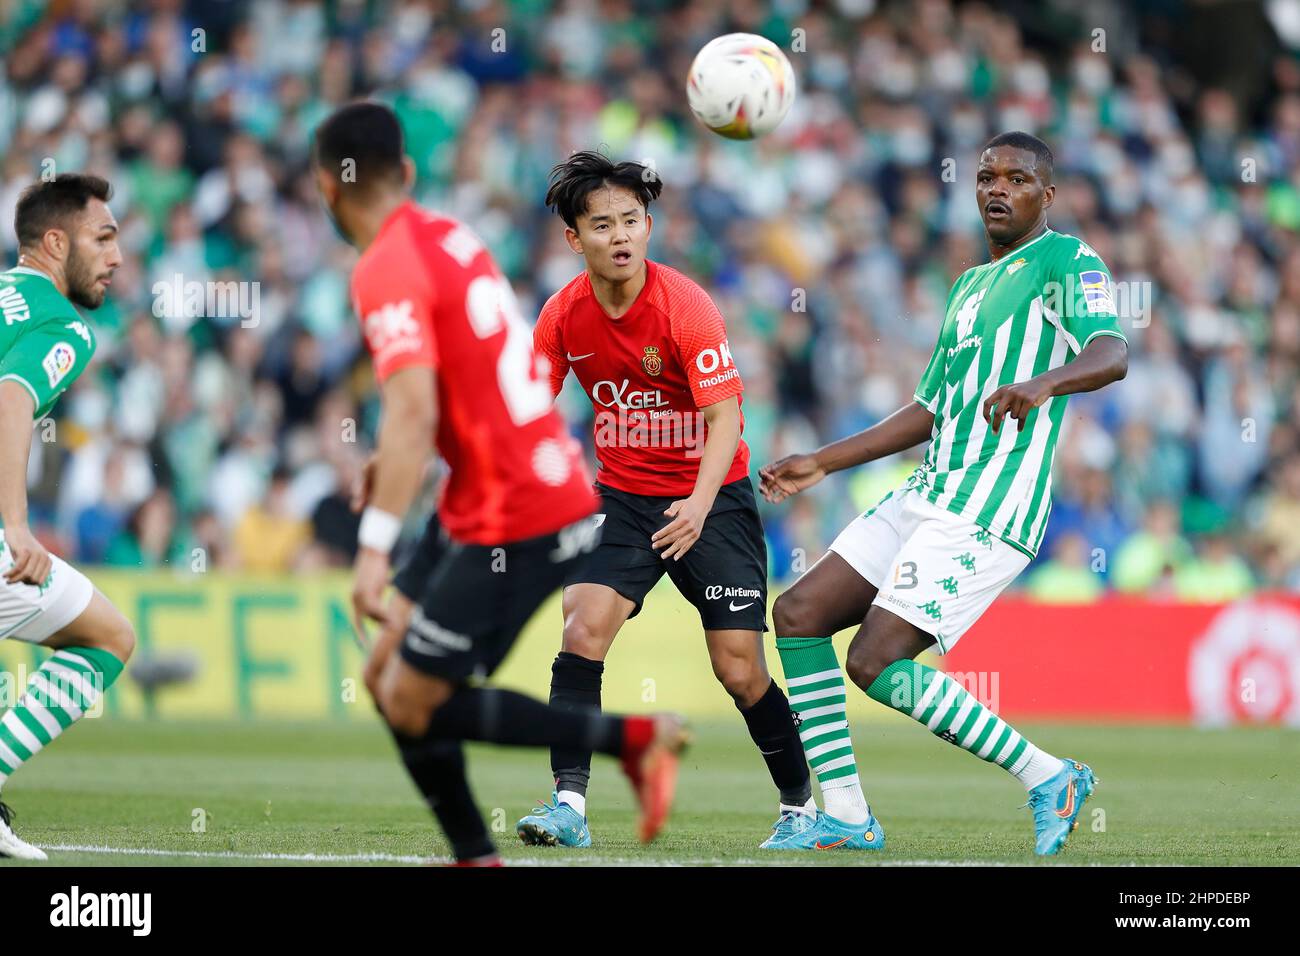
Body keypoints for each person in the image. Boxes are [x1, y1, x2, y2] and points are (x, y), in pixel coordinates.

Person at [312, 103, 688, 866]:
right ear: (408, 174)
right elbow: (463, 380)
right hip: (486, 495)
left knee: (416, 697)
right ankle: (474, 854)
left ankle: (631, 739)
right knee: (387, 678)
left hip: (518, 508)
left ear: (327, 187)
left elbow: (414, 407)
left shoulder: (382, 265)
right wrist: (395, 458)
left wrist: (374, 547)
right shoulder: (449, 236)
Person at [761, 132, 1129, 856]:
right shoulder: (967, 285)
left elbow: (1112, 352)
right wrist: (824, 463)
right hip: (929, 489)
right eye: (987, 176)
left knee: (872, 661)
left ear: (1046, 196)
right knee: (799, 614)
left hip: (990, 502)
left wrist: (1042, 383)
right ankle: (847, 814)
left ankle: (1047, 775)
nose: (998, 189)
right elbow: (928, 409)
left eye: (1017, 179)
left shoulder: (1066, 261)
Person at [519, 151, 875, 851]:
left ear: (648, 226)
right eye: (601, 225)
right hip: (622, 498)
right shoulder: (563, 315)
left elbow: (726, 421)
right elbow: (529, 405)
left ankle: (800, 805)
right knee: (582, 626)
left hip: (712, 497)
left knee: (738, 667)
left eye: (631, 220)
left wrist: (698, 505)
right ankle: (568, 805)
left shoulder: (685, 308)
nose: (619, 235)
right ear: (574, 239)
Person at [0, 174, 137, 861]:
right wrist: (16, 524)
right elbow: (13, 398)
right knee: (108, 638)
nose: (116, 257)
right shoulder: (61, 324)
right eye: (103, 239)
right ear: (56, 243)